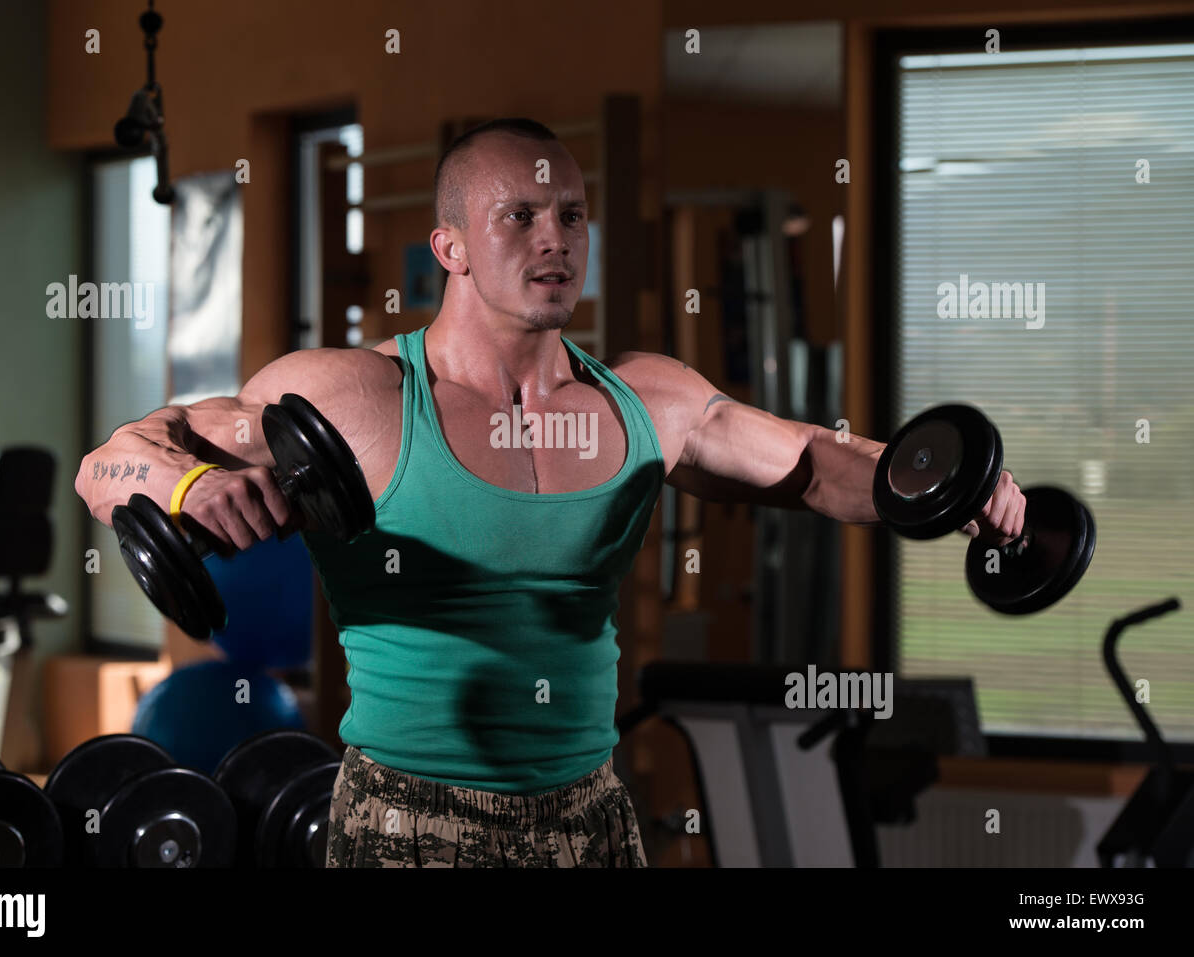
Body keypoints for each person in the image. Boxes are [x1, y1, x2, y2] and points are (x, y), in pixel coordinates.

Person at [75, 117, 1026, 867]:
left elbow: (818, 462)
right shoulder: (356, 397)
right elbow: (111, 461)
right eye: (520, 217)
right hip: (409, 823)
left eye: (572, 215)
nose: (555, 240)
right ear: (448, 246)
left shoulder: (649, 398)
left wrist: (951, 487)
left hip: (590, 816)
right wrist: (189, 482)